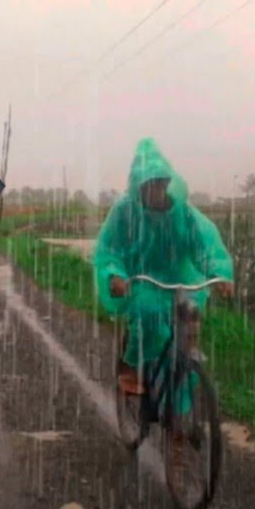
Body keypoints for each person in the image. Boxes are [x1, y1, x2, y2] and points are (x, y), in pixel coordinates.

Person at [94, 138, 235, 394]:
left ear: (168, 183)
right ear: (138, 185)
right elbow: (110, 250)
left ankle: (182, 386)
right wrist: (114, 275)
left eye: (160, 183)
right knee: (147, 312)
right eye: (149, 184)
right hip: (142, 278)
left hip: (179, 277)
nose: (155, 190)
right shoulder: (124, 212)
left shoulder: (184, 213)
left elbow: (206, 245)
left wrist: (220, 274)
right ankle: (132, 365)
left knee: (189, 316)